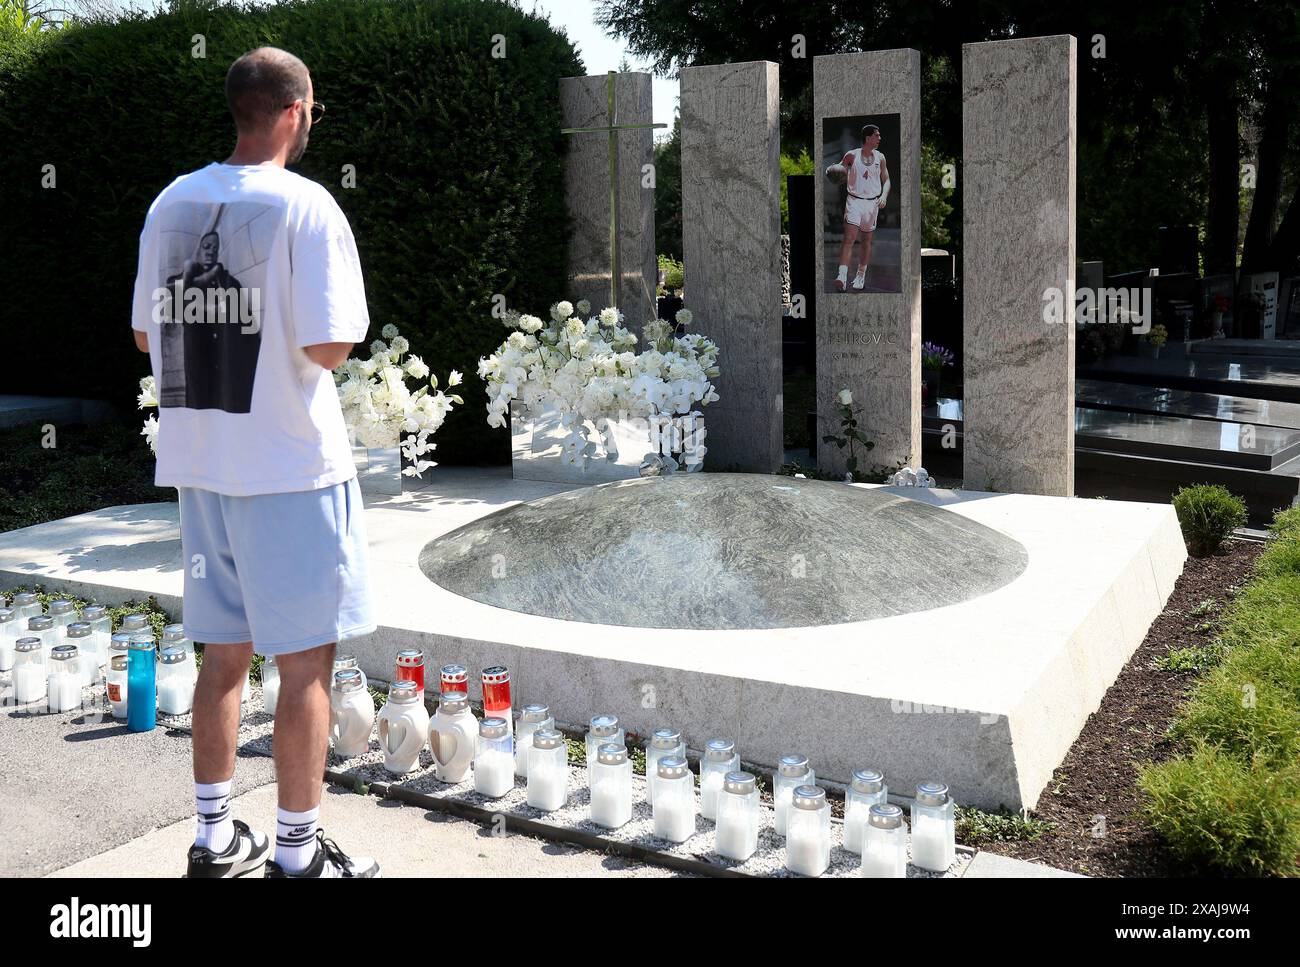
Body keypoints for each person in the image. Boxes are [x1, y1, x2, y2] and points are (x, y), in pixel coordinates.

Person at [131, 46, 379, 878]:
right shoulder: (307, 206)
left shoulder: (171, 201)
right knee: (306, 661)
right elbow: (330, 342)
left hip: (203, 465)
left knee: (222, 652)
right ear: (293, 111)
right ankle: (299, 856)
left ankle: (212, 838)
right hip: (291, 467)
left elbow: (145, 333)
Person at [828, 124, 891, 292]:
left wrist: (883, 196)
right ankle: (842, 275)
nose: (879, 138)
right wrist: (832, 171)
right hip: (854, 201)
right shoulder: (851, 155)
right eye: (877, 135)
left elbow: (887, 180)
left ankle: (860, 275)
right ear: (868, 138)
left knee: (867, 241)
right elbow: (838, 171)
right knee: (849, 237)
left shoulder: (881, 157)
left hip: (872, 203)